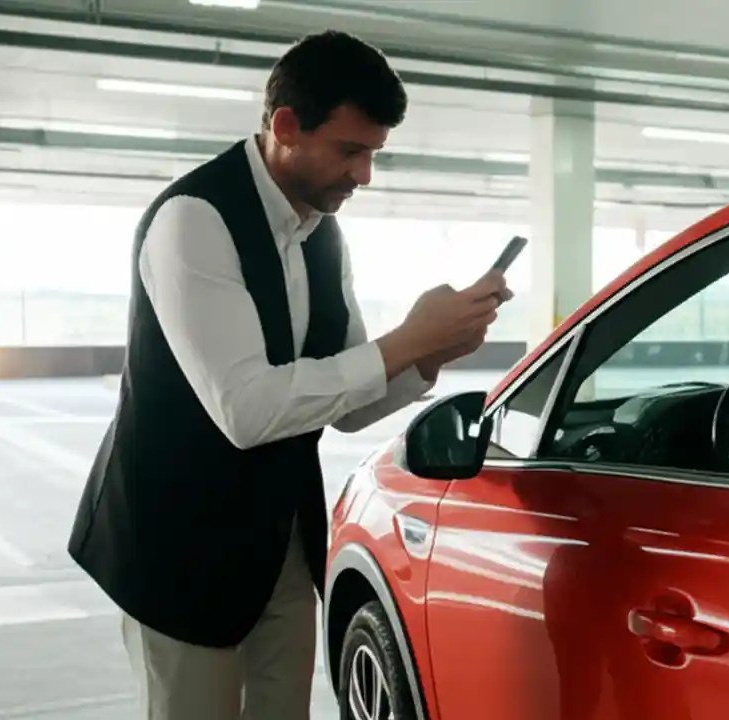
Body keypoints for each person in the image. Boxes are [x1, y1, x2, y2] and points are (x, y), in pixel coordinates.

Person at [67, 28, 509, 720]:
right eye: (350, 150)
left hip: (280, 544)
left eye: (373, 154)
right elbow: (247, 410)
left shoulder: (321, 234)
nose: (363, 175)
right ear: (284, 126)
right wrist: (404, 340)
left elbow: (348, 403)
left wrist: (430, 354)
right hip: (178, 547)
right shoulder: (195, 220)